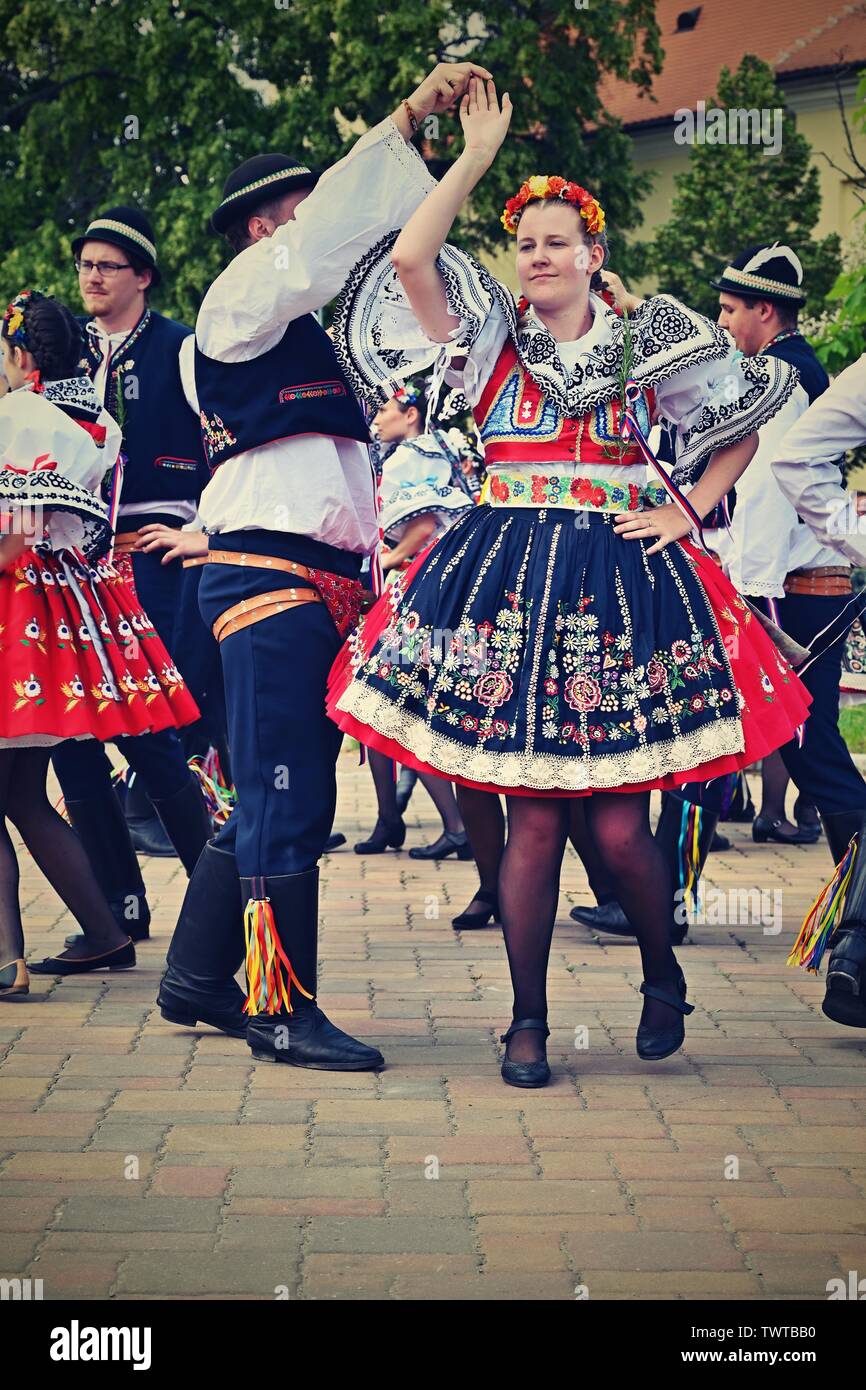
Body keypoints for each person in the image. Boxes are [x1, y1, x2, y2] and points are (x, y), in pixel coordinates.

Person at [328, 79, 811, 1088]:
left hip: (615, 586)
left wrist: (683, 509)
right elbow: (411, 257)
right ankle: (527, 1023)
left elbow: (742, 421)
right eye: (526, 242)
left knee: (617, 824)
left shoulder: (648, 338)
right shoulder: (488, 340)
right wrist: (467, 162)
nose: (538, 256)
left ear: (593, 255)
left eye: (557, 241)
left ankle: (659, 970)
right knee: (534, 815)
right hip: (506, 583)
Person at [158, 60, 494, 1071]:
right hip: (267, 574)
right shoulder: (236, 304)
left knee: (279, 789)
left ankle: (196, 980)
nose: (330, 227)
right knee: (285, 795)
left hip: (309, 578)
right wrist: (412, 122)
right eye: (307, 212)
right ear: (267, 228)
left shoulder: (315, 337)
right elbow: (328, 242)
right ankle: (280, 1010)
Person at [0, 291, 200, 994]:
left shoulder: (20, 417)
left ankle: (15, 956)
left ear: (22, 357)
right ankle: (116, 926)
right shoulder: (96, 421)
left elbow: (15, 534)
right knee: (37, 787)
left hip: (21, 607)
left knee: (32, 787)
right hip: (82, 604)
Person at [51, 206, 213, 948]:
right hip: (69, 564)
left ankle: (217, 910)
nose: (92, 275)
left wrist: (197, 531)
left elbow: (230, 446)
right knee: (70, 738)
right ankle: (119, 909)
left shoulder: (183, 348)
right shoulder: (63, 355)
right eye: (86, 263)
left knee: (152, 734)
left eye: (108, 265)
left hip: (150, 557)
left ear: (143, 276)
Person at [770, 352, 866, 1027]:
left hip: (788, 580)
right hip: (778, 578)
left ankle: (858, 946)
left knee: (811, 741)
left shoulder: (788, 374)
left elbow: (799, 457)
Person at [355, 381, 474, 857]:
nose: (378, 418)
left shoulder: (414, 454)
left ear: (411, 414)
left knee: (395, 704)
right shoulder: (425, 450)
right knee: (379, 704)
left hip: (419, 597)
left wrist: (381, 563)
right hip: (431, 594)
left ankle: (456, 826)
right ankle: (392, 819)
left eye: (384, 409)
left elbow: (424, 526)